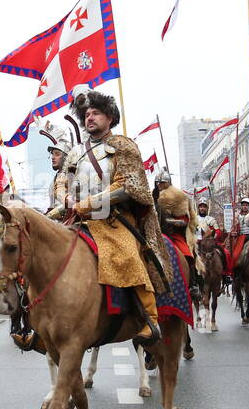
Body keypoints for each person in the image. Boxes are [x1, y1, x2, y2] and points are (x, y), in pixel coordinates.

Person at [65, 90, 170, 346]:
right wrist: (66, 199)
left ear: (109, 117)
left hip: (114, 220)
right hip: (77, 218)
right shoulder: (76, 153)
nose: (90, 118)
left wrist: (87, 203)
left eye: (96, 113)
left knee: (126, 254)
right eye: (87, 114)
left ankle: (149, 319)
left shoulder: (123, 145)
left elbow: (127, 186)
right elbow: (63, 182)